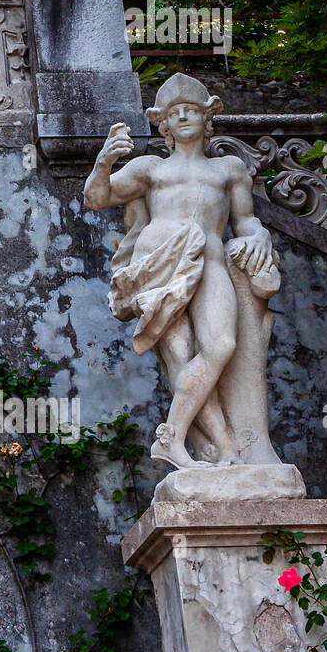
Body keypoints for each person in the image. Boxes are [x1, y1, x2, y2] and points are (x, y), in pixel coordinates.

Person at [84, 73, 279, 469]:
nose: (184, 117)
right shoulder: (150, 169)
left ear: (207, 119)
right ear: (165, 125)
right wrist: (104, 162)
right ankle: (221, 450)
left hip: (210, 261)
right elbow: (96, 198)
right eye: (175, 113)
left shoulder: (228, 169)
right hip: (161, 264)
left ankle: (172, 436)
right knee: (180, 355)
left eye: (191, 110)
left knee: (221, 345)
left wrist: (260, 236)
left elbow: (245, 221)